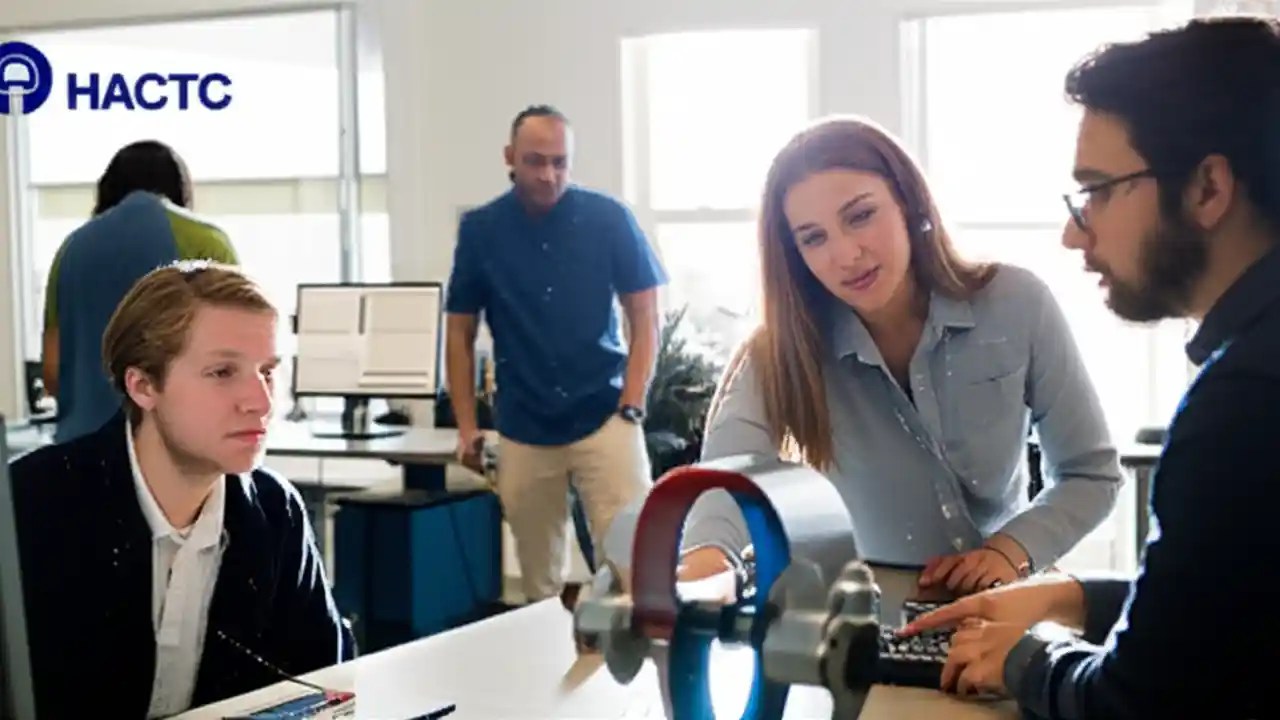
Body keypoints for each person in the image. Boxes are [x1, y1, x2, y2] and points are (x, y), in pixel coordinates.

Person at [899, 16, 1280, 718]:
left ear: (1207, 189)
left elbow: (1133, 703)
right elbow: (1231, 611)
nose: (1076, 231)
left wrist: (1026, 655)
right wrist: (1072, 597)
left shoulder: (1244, 400)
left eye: (1099, 190)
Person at [679, 117, 1122, 595]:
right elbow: (723, 490)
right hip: (859, 622)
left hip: (1005, 605)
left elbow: (1090, 474)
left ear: (908, 203)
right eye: (813, 238)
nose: (846, 254)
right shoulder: (780, 350)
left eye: (860, 216)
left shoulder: (1017, 302)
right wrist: (704, 578)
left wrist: (1009, 552)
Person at [12, 262, 353, 718]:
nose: (261, 401)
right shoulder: (29, 505)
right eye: (222, 372)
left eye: (267, 372)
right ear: (143, 386)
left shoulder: (275, 511)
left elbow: (326, 684)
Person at [445, 104, 668, 602]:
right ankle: (547, 671)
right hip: (524, 424)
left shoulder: (608, 218)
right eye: (535, 161)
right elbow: (459, 334)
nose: (548, 175)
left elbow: (645, 314)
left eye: (560, 163)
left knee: (633, 564)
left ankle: (629, 670)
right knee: (539, 579)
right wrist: (466, 427)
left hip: (604, 411)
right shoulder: (481, 230)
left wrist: (633, 402)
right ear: (510, 157)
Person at [43, 139, 238, 444]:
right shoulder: (207, 241)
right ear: (179, 188)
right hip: (174, 454)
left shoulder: (71, 249)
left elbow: (53, 373)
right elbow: (233, 359)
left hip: (78, 453)